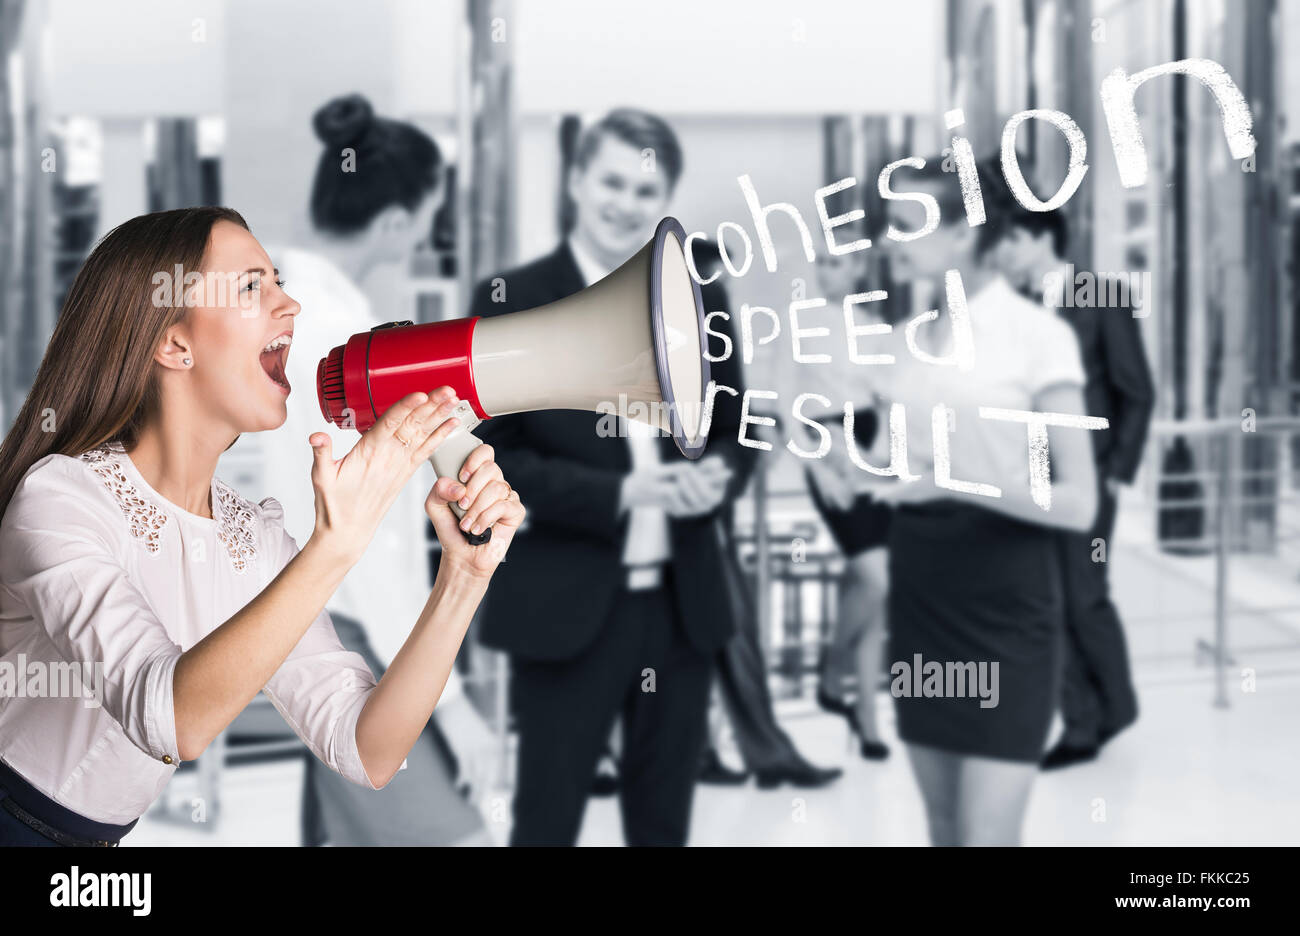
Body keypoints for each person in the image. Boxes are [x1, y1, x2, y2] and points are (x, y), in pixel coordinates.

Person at [0, 206, 523, 846]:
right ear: (173, 343)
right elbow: (172, 720)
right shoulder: (61, 500)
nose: (292, 305)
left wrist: (463, 579)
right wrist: (338, 544)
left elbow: (367, 750)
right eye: (253, 287)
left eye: (279, 279)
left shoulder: (252, 541)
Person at [469, 109, 750, 846]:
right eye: (612, 182)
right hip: (569, 608)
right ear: (576, 181)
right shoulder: (515, 300)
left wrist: (718, 476)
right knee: (548, 822)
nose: (625, 203)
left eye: (644, 189)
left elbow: (734, 429)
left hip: (682, 608)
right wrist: (620, 495)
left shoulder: (700, 297)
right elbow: (495, 458)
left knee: (664, 823)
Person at [228, 93, 502, 845]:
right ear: (395, 223)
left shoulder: (283, 313)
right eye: (429, 215)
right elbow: (367, 540)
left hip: (314, 620)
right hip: (356, 632)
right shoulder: (344, 338)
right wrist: (450, 708)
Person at [861, 159, 1099, 846]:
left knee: (985, 837)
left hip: (1007, 605)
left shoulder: (1036, 336)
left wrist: (960, 482)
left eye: (906, 225)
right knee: (942, 829)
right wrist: (847, 454)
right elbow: (892, 459)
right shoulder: (908, 339)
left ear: (964, 232)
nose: (889, 240)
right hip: (923, 594)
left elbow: (1080, 502)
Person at [983, 191, 1154, 770]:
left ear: (1040, 240)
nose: (1001, 253)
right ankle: (1079, 722)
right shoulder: (1016, 305)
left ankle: (1115, 706)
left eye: (1009, 240)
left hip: (1087, 474)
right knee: (1044, 600)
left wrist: (1115, 473)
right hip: (1027, 474)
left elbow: (1137, 390)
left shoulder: (1101, 295)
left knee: (1083, 595)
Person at [691, 239, 843, 789]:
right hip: (687, 504)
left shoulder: (704, 316)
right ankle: (757, 751)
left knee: (716, 627)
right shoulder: (699, 312)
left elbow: (730, 406)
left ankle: (738, 750)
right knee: (725, 627)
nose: (717, 285)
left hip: (702, 502)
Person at [800, 248, 894, 761]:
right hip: (827, 451)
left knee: (870, 589)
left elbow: (889, 403)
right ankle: (833, 674)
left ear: (859, 268)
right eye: (821, 262)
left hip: (873, 456)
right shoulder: (800, 326)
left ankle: (868, 720)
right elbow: (788, 407)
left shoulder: (879, 330)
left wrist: (876, 460)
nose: (826, 272)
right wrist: (819, 465)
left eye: (836, 263)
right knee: (876, 576)